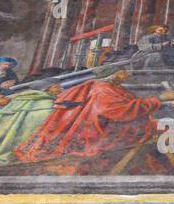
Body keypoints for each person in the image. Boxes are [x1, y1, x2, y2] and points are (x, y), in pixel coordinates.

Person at [14, 64, 166, 167]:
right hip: (106, 131)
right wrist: (158, 99)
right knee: (164, 130)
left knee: (162, 127)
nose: (127, 74)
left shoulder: (107, 87)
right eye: (123, 72)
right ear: (114, 75)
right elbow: (121, 112)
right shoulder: (104, 90)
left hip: (106, 124)